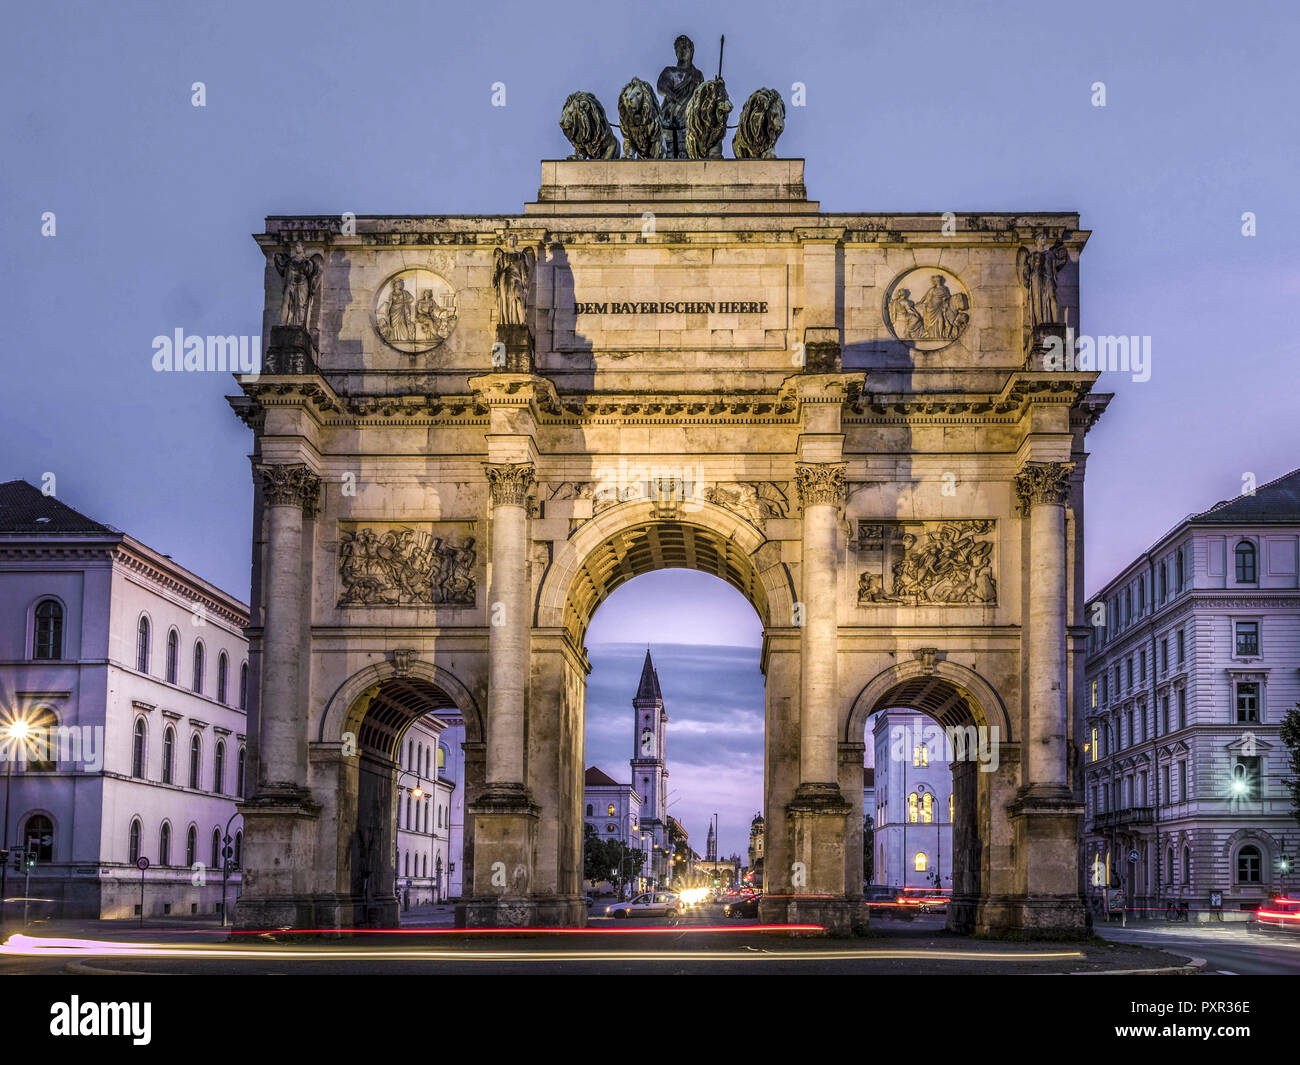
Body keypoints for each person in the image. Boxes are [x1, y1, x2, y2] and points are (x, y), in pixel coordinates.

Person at [657, 35, 703, 158]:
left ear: (691, 50)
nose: (681, 51)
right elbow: (661, 87)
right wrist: (669, 93)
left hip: (689, 122)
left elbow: (702, 96)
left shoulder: (697, 75)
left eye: (684, 48)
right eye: (678, 49)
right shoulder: (669, 71)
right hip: (670, 120)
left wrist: (716, 87)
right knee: (667, 155)